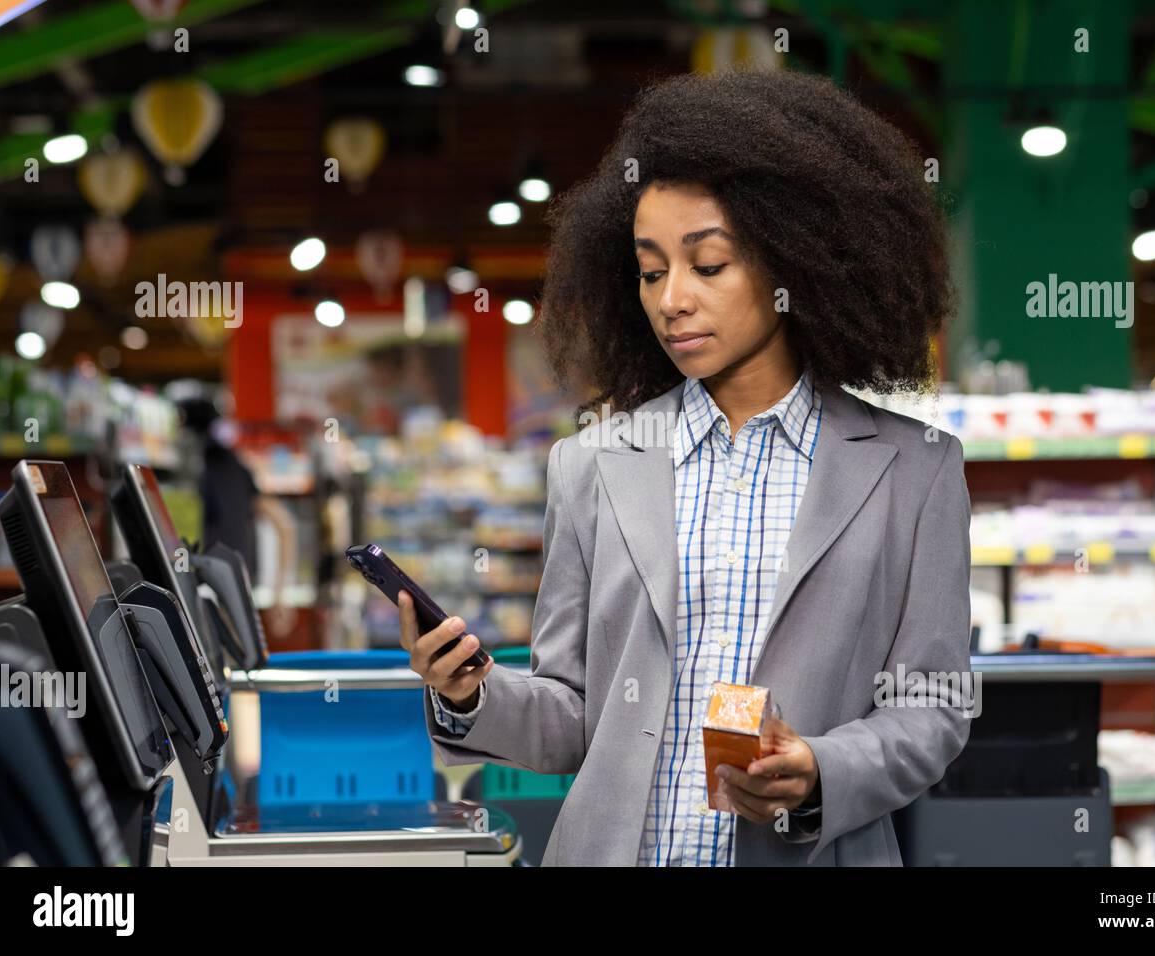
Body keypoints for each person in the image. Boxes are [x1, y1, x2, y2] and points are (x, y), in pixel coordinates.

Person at [400, 69, 973, 866]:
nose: (671, 299)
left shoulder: (914, 472)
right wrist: (470, 695)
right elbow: (574, 714)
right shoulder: (591, 467)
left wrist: (821, 770)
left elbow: (931, 706)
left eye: (708, 265)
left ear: (793, 262)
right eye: (650, 270)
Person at [177, 396, 298, 639]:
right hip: (230, 590)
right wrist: (281, 594)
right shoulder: (232, 466)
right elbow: (285, 525)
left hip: (210, 594)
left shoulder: (203, 469)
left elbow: (284, 525)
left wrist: (281, 595)